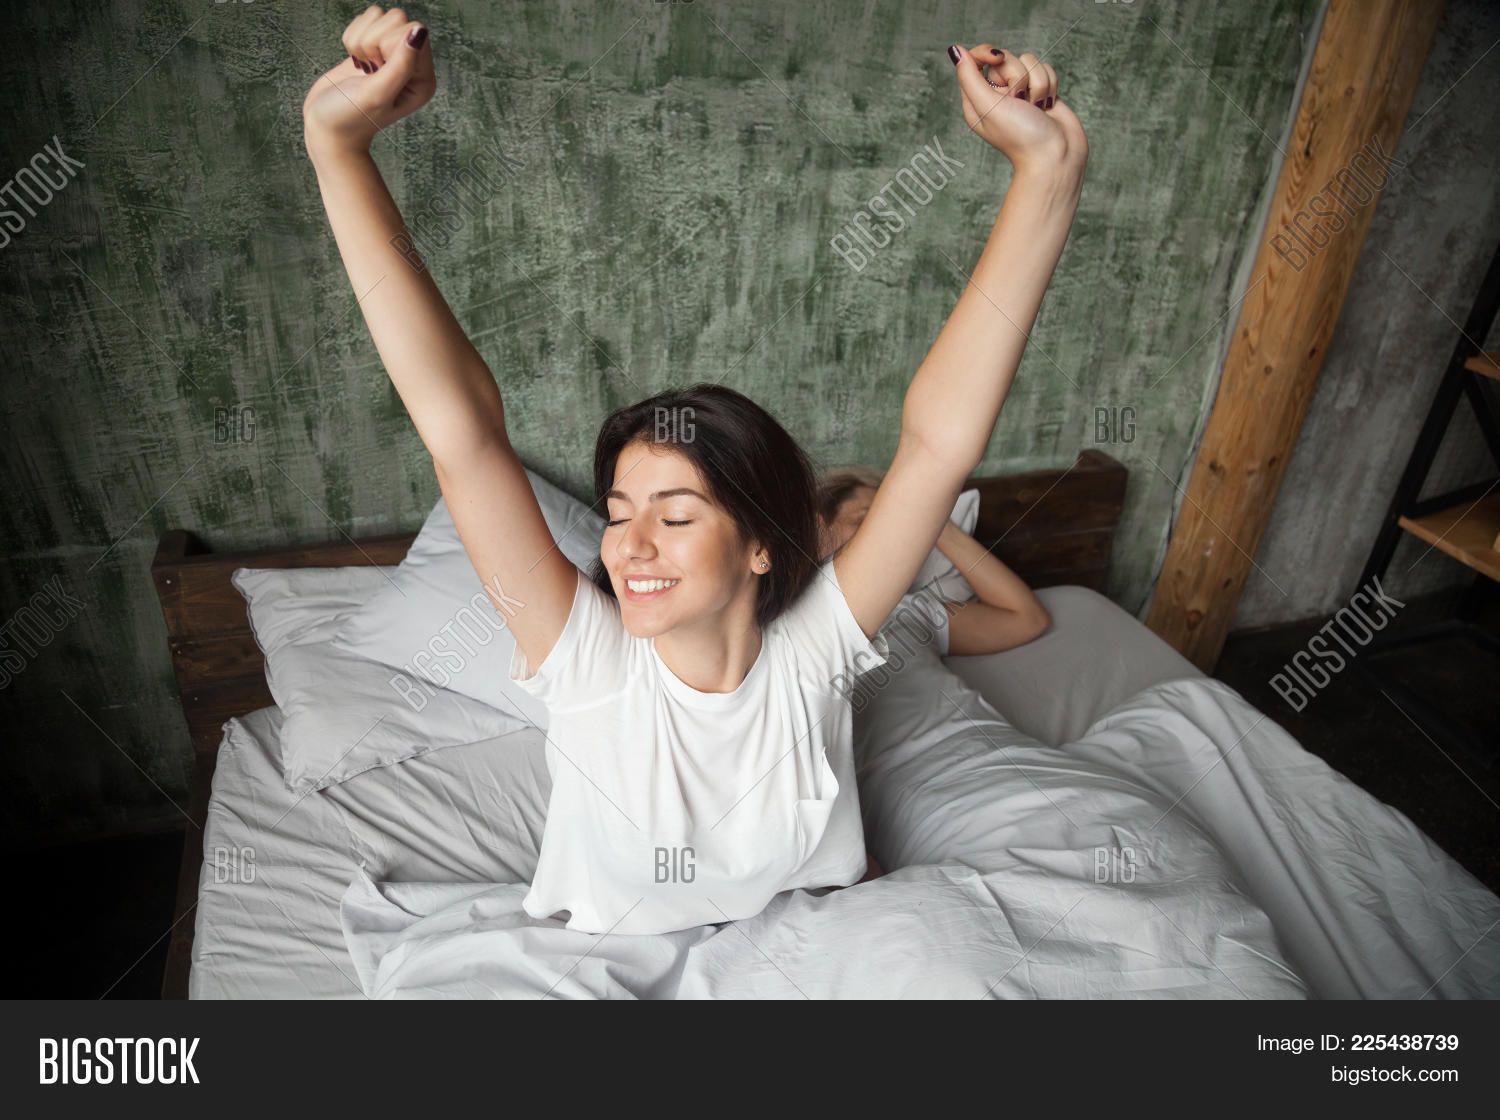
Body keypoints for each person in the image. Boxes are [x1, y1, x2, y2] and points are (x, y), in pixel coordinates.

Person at [301, 7, 1087, 934]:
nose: (627, 545)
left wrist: (1047, 172)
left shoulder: (813, 660)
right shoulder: (588, 664)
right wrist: (338, 148)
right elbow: (461, 431)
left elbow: (937, 447)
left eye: (674, 516)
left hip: (822, 952)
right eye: (620, 510)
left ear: (760, 544)